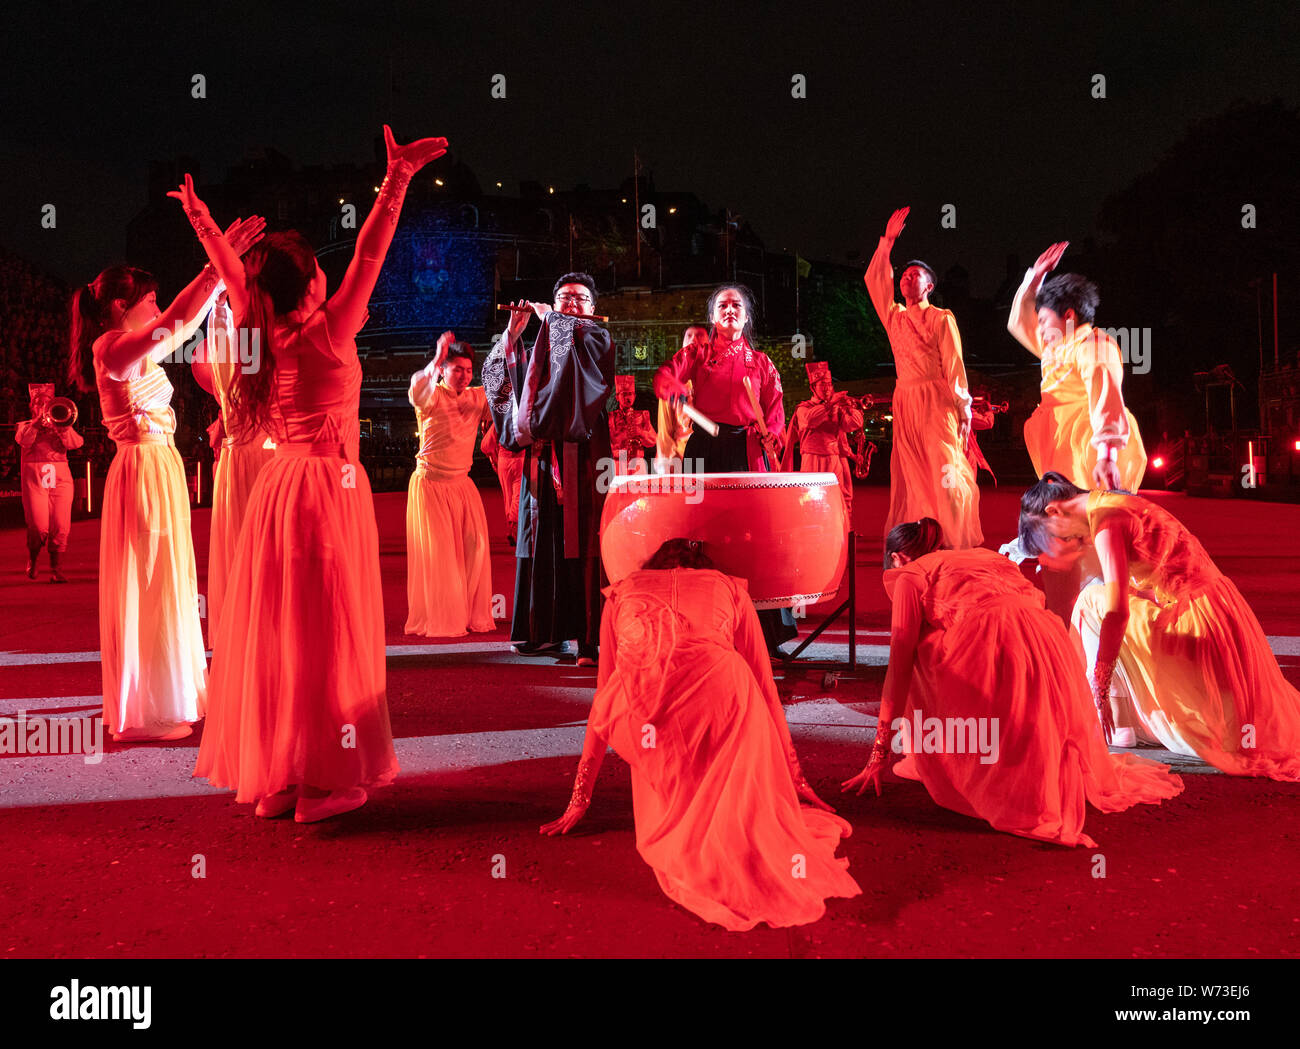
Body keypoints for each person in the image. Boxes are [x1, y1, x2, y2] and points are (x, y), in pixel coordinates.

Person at [185, 125, 449, 821]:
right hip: (328, 487)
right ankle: (324, 783)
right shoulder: (327, 330)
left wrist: (205, 225)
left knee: (280, 629)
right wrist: (396, 179)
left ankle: (278, 777)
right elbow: (370, 252)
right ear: (310, 282)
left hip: (278, 488)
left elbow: (235, 276)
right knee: (327, 631)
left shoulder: (257, 331)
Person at [541, 538, 860, 930]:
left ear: (653, 566)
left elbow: (604, 692)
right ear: (704, 565)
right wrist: (794, 774)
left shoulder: (621, 592)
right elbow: (764, 681)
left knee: (628, 699)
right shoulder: (728, 587)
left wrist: (580, 796)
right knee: (736, 709)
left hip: (648, 714)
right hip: (723, 700)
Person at [841, 519, 1183, 846]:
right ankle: (1037, 776)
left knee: (922, 649)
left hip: (990, 640)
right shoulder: (983, 555)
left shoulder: (910, 576)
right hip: (1048, 639)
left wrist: (879, 753)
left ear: (898, 557)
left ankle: (983, 773)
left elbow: (899, 664)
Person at [68, 241, 247, 740]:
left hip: (159, 466)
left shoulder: (136, 345)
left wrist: (219, 278)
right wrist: (213, 265)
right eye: (149, 300)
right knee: (146, 580)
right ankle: (143, 710)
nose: (156, 307)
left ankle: (163, 698)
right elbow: (174, 322)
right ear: (120, 306)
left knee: (166, 577)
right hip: (142, 467)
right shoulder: (109, 347)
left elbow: (182, 326)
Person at [1019, 474, 1300, 778]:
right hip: (1220, 611)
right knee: (1102, 596)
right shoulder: (1116, 502)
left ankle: (1112, 717)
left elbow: (1117, 613)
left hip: (1197, 621)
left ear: (1054, 511)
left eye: (1054, 536)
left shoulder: (1106, 522)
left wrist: (1100, 683)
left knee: (1091, 600)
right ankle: (1121, 718)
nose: (1065, 541)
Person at [652, 285, 796, 655]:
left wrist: (772, 435)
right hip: (703, 449)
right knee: (697, 533)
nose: (729, 310)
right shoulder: (697, 353)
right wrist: (674, 389)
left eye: (736, 305)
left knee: (754, 536)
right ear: (713, 316)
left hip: (747, 449)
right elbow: (665, 375)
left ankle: (763, 635)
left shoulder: (761, 362)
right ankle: (699, 628)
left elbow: (775, 410)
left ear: (746, 317)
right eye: (722, 305)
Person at [485, 272, 614, 666]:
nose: (571, 303)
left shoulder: (597, 337)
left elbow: (582, 378)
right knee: (542, 538)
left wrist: (551, 322)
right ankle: (543, 633)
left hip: (584, 449)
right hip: (543, 456)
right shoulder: (541, 345)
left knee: (585, 540)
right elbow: (503, 383)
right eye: (563, 298)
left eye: (579, 298)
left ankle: (589, 641)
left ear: (593, 307)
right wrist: (512, 337)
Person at [864, 207, 982, 549]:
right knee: (912, 471)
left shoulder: (942, 318)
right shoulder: (894, 317)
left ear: (929, 285)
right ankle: (923, 537)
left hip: (936, 398)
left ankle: (954, 538)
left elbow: (954, 365)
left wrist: (963, 407)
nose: (906, 278)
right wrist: (887, 242)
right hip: (905, 398)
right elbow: (876, 282)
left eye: (914, 275)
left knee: (943, 465)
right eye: (903, 275)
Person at [1008, 243, 1146, 492]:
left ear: (1069, 316)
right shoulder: (1054, 347)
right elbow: (1020, 321)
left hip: (1088, 444)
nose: (1039, 328)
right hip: (1060, 444)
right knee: (1062, 510)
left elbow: (1106, 397)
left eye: (1044, 320)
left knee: (1095, 508)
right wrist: (1036, 276)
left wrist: (1106, 456)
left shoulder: (1092, 345)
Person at [190, 276, 273, 638]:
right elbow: (220, 329)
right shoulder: (228, 367)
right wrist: (219, 302)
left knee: (269, 545)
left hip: (271, 463)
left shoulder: (273, 359)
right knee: (244, 542)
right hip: (245, 462)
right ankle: (245, 622)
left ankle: (267, 618)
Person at [405, 330, 494, 637]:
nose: (464, 376)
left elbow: (507, 392)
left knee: (475, 548)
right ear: (443, 370)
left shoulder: (476, 396)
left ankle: (468, 613)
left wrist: (512, 335)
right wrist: (437, 357)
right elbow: (417, 390)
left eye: (468, 370)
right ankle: (445, 618)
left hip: (462, 484)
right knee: (441, 557)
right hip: (431, 484)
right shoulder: (431, 395)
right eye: (457, 369)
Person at [15, 382, 84, 582]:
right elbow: (23, 441)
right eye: (39, 403)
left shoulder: (61, 424)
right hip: (35, 480)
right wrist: (36, 423)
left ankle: (56, 569)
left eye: (47, 403)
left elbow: (76, 443)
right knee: (38, 526)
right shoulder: (24, 425)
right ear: (32, 406)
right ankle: (33, 559)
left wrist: (63, 429)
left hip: (60, 479)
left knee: (61, 526)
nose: (43, 406)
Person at [780, 361, 862, 524]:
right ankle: (811, 530)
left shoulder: (836, 408)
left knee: (839, 497)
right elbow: (810, 420)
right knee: (810, 496)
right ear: (813, 387)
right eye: (822, 385)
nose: (827, 389)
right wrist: (830, 404)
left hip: (833, 458)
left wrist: (850, 408)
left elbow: (853, 424)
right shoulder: (804, 408)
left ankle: (841, 530)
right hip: (813, 458)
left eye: (829, 385)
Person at [653, 325, 706, 472]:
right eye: (689, 335)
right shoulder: (670, 383)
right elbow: (665, 429)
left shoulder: (717, 378)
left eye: (699, 335)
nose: (694, 339)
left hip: (713, 456)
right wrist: (667, 461)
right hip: (682, 459)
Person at [480, 423, 523, 546]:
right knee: (517, 497)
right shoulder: (523, 416)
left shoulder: (500, 419)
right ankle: (514, 528)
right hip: (520, 460)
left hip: (503, 461)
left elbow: (485, 446)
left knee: (508, 498)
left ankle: (512, 529)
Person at [608, 374, 658, 474]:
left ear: (634, 396)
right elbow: (609, 442)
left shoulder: (643, 415)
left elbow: (653, 440)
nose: (627, 397)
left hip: (638, 462)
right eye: (624, 394)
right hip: (619, 463)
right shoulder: (612, 417)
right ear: (617, 397)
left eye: (630, 394)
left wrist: (640, 432)